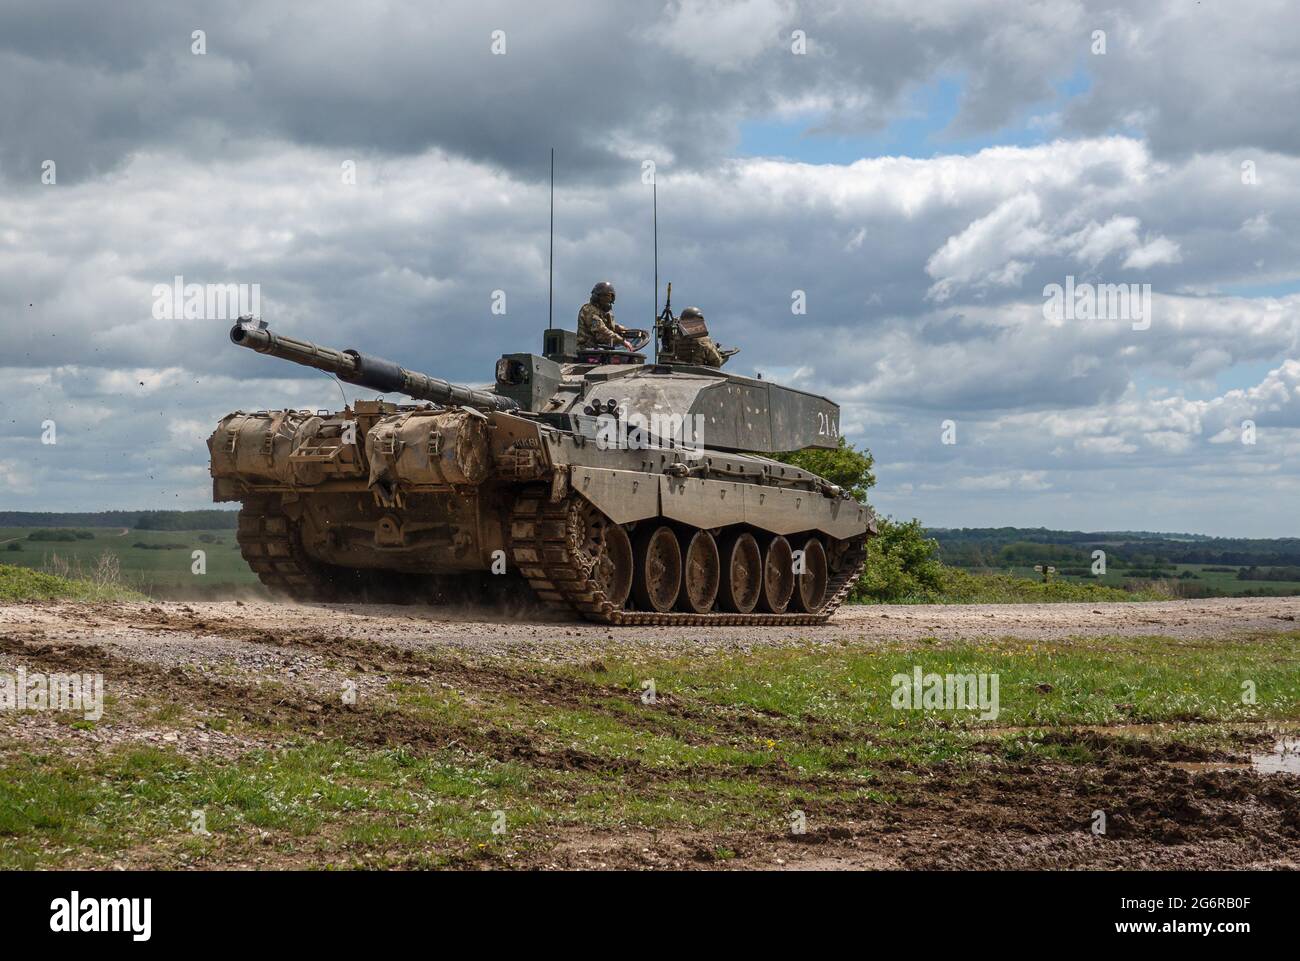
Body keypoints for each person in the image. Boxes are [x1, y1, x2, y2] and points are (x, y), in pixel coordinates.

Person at [576, 281, 633, 350]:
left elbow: (607, 325)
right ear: (600, 297)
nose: (609, 301)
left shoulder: (602, 312)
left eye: (610, 298)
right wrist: (622, 341)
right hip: (585, 349)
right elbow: (601, 331)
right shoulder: (589, 310)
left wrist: (621, 329)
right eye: (607, 297)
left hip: (597, 349)